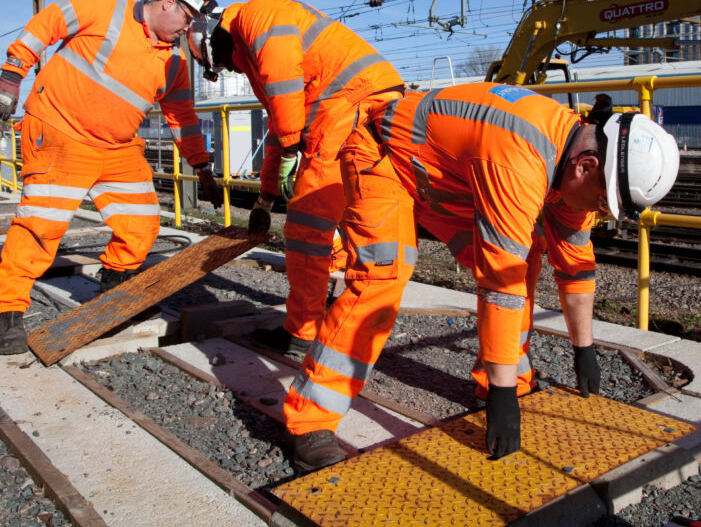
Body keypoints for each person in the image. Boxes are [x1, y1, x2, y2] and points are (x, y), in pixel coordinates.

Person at [281, 82, 680, 471]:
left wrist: (585, 348)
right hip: (382, 158)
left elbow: (575, 262)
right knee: (382, 275)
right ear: (587, 166)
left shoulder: (573, 150)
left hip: (439, 173)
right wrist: (503, 402)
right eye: (601, 203)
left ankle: (506, 376)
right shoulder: (519, 160)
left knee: (528, 254)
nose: (599, 212)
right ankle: (311, 420)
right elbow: (500, 284)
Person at [0, 0, 222, 356]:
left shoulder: (174, 63)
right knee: (41, 227)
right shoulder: (102, 6)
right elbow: (44, 26)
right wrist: (12, 77)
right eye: (188, 19)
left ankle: (114, 296)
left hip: (117, 149)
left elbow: (181, 116)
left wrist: (201, 166)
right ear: (168, 4)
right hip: (60, 131)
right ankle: (8, 310)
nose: (187, 29)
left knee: (141, 224)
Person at [187, 0, 405, 357]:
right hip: (364, 100)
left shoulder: (258, 15)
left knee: (307, 223)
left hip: (345, 104)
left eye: (221, 62)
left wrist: (291, 145)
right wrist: (266, 198)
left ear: (216, 33)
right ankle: (351, 312)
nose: (228, 69)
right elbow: (279, 122)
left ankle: (303, 330)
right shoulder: (255, 43)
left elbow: (284, 104)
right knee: (361, 212)